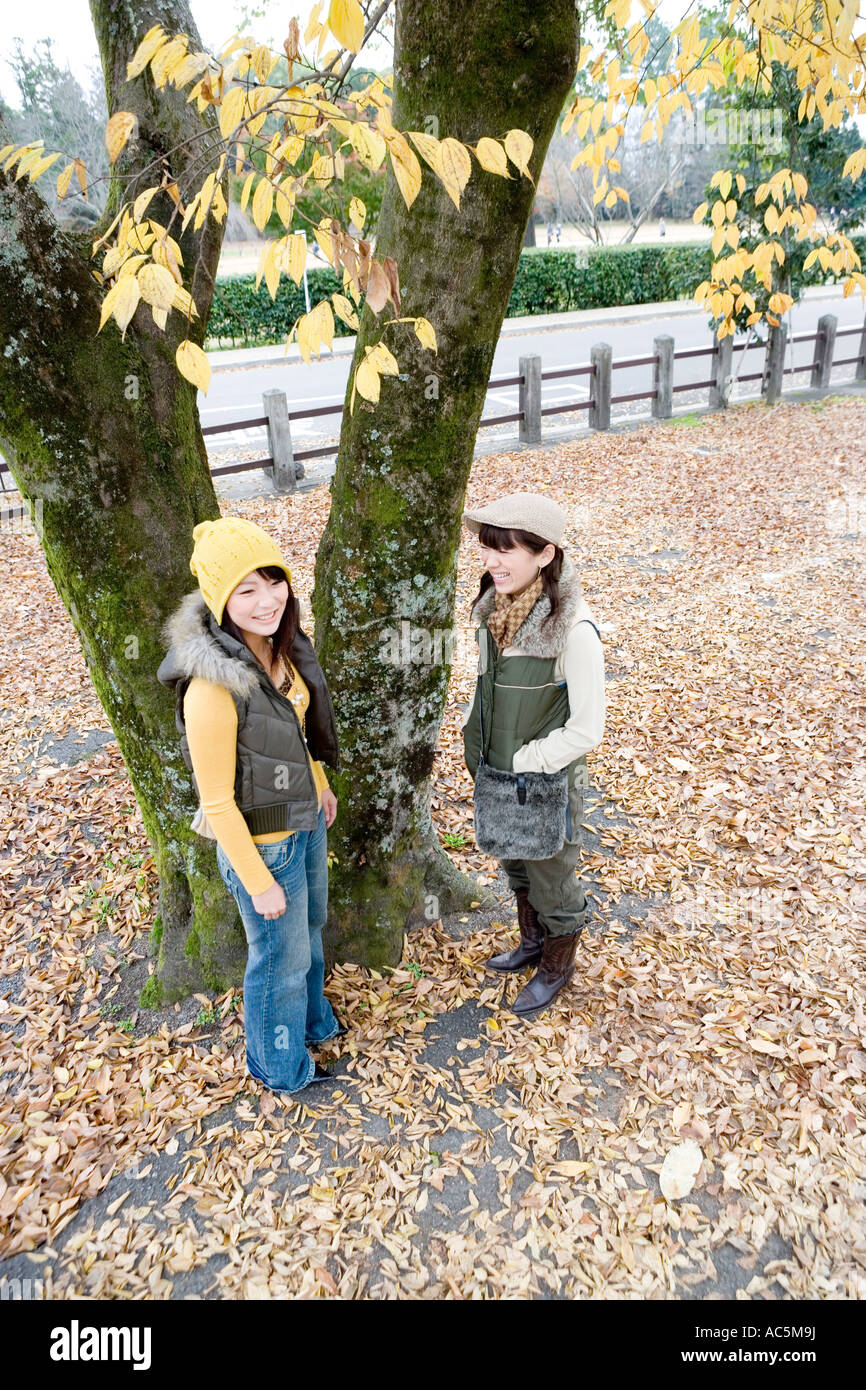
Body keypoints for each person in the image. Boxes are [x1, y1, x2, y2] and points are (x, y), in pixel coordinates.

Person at [157, 517, 344, 1095]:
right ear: (220, 600)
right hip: (265, 845)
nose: (268, 600)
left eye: (274, 581)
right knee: (278, 964)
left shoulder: (280, 647)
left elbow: (293, 728)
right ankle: (278, 1066)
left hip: (306, 822)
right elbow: (215, 801)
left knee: (310, 934)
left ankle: (312, 1026)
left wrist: (319, 783)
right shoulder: (211, 688)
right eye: (247, 589)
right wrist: (257, 879)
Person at [461, 493, 605, 1015]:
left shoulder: (574, 629)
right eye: (487, 548)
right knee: (516, 863)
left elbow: (588, 729)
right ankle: (532, 943)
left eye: (508, 550)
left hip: (542, 781)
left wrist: (527, 761)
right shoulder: (495, 611)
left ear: (545, 555)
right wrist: (473, 738)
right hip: (497, 772)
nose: (493, 561)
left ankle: (557, 966)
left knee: (551, 876)